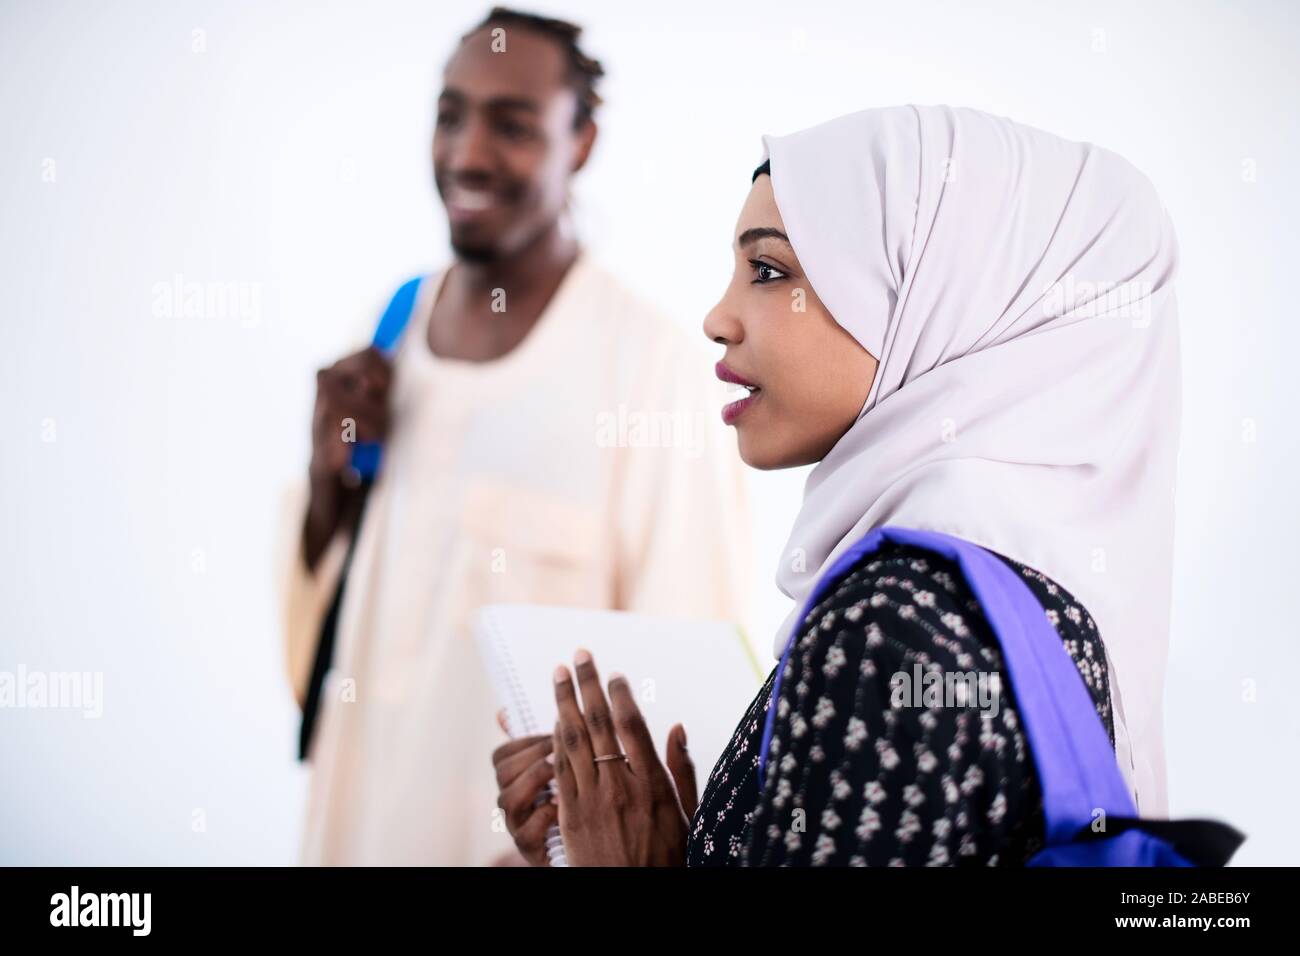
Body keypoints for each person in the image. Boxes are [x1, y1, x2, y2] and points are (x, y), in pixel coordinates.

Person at [492, 105, 1238, 866]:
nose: (718, 318)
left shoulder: (889, 623)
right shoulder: (1041, 603)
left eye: (770, 271)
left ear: (939, 292)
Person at [276, 7, 749, 866]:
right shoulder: (389, 333)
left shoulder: (652, 373)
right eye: (449, 115)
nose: (466, 155)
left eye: (513, 125)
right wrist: (324, 483)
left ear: (583, 142)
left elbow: (687, 711)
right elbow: (323, 642)